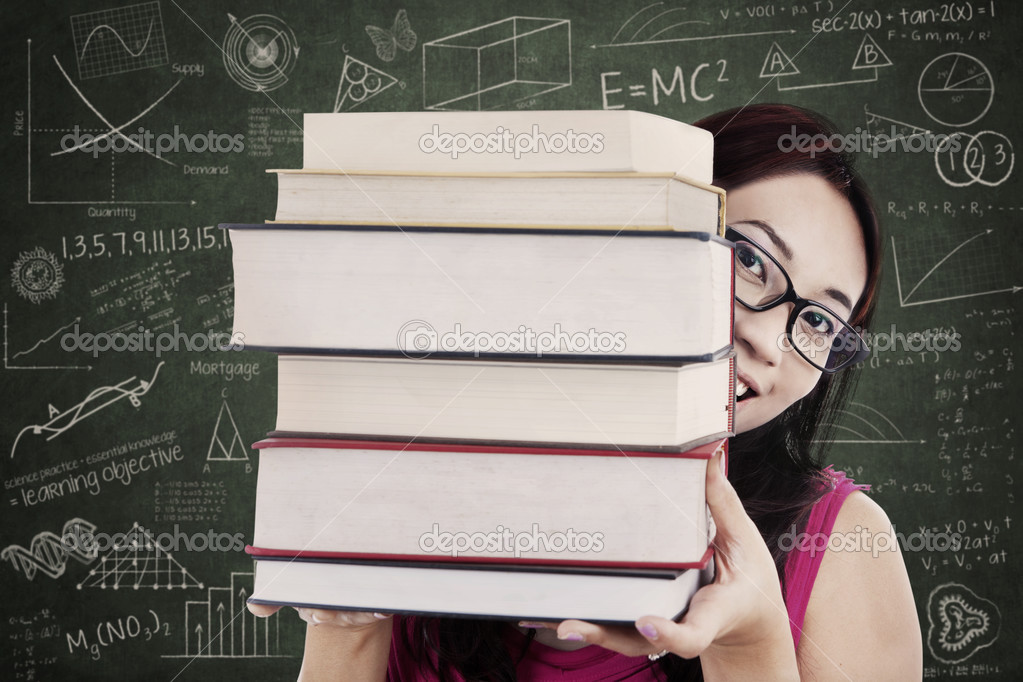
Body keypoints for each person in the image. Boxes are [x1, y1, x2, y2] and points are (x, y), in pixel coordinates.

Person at [249, 103, 923, 681]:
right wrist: (344, 615)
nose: (769, 345)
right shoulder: (423, 473)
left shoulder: (841, 548)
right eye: (748, 258)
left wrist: (751, 644)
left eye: (817, 321)